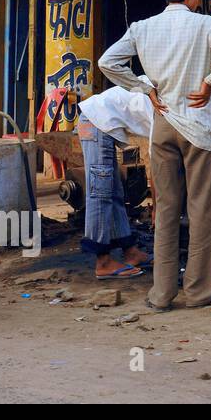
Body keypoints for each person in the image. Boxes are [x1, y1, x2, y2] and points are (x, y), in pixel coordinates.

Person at [98, 0, 211, 311]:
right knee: (200, 211)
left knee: (165, 210)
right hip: (197, 126)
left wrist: (144, 87)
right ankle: (197, 292)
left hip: (162, 121)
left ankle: (161, 294)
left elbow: (109, 62)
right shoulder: (204, 24)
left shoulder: (142, 27)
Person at [76, 78, 155, 279]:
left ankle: (130, 252)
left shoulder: (161, 89)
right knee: (101, 193)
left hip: (101, 124)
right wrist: (157, 207)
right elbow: (158, 164)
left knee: (115, 192)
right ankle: (103, 262)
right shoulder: (159, 108)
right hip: (95, 123)